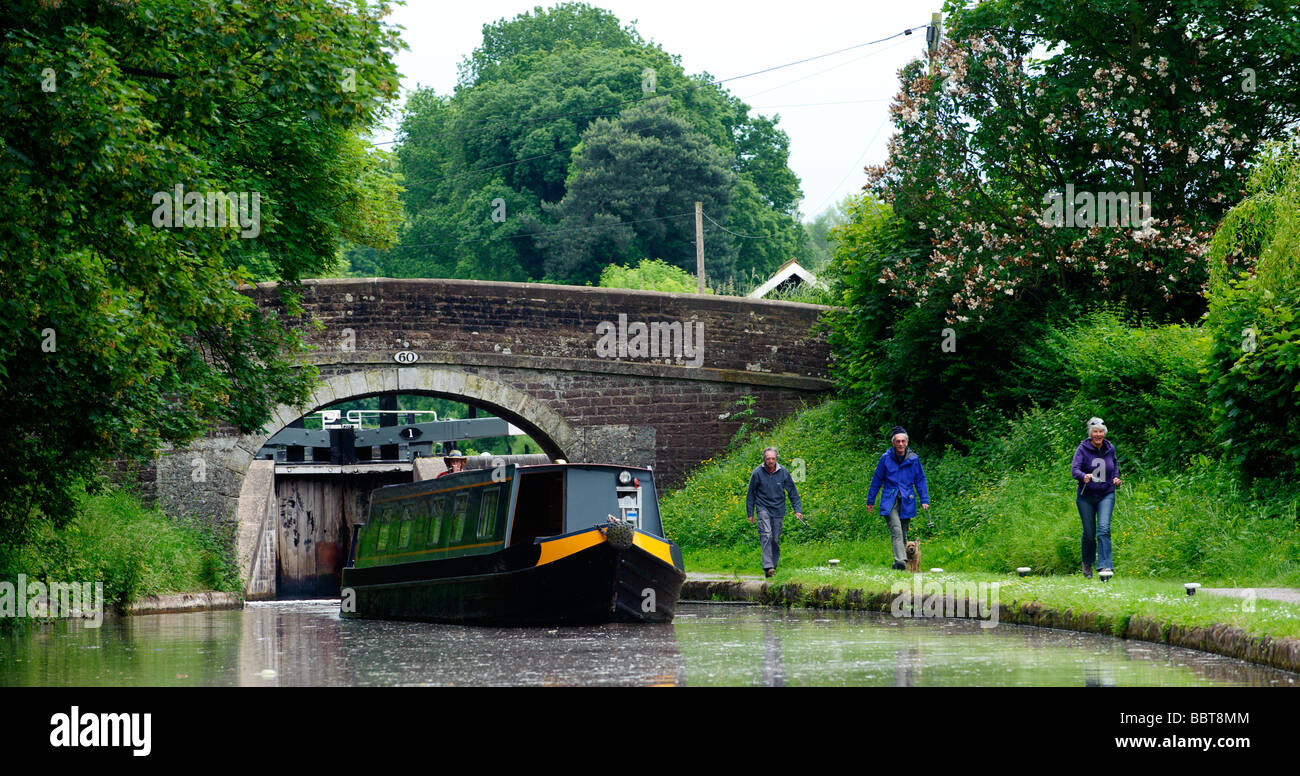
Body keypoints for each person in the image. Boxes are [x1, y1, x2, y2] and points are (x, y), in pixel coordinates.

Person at [866, 427, 930, 570]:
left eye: (903, 441)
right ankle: (901, 561)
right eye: (897, 441)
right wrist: (870, 501)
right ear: (893, 443)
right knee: (896, 530)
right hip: (890, 500)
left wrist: (924, 499)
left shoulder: (913, 459)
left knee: (904, 532)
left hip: (907, 499)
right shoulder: (886, 458)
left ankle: (905, 565)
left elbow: (920, 479)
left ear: (906, 442)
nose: (900, 444)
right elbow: (877, 479)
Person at [1071, 417, 1121, 578]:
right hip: (1086, 496)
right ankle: (1087, 563)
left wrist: (1116, 478)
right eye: (1095, 432)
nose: (1098, 435)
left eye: (1101, 432)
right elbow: (1075, 470)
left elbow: (1114, 464)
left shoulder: (1109, 448)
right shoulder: (1082, 449)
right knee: (1089, 532)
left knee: (1104, 529)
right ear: (1091, 434)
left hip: (1106, 493)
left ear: (1104, 433)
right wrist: (1083, 476)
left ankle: (1105, 567)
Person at [746, 446, 803, 578]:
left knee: (775, 539)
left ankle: (772, 567)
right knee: (766, 534)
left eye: (773, 458)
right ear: (764, 460)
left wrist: (797, 510)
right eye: (768, 459)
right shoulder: (757, 473)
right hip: (762, 508)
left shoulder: (783, 472)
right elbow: (751, 494)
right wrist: (750, 513)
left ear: (776, 459)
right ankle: (768, 565)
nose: (770, 461)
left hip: (778, 508)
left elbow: (792, 492)